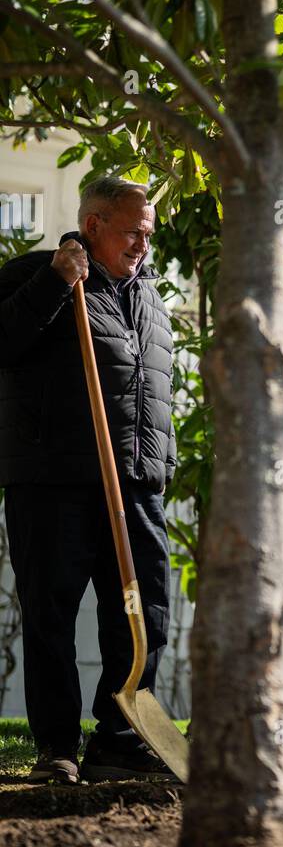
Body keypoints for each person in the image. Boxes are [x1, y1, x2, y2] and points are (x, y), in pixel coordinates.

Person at [0, 177, 177, 784]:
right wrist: (55, 282)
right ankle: (57, 747)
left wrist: (161, 469)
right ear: (94, 225)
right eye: (134, 231)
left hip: (136, 487)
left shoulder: (150, 294)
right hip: (54, 482)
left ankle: (119, 738)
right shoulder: (35, 274)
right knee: (51, 613)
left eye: (149, 234)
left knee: (143, 612)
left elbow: (157, 393)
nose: (143, 245)